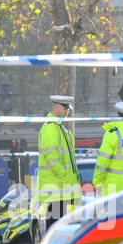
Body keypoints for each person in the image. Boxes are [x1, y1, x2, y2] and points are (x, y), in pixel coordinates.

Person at [35, 93, 81, 229]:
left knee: (64, 231)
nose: (67, 111)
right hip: (56, 191)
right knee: (56, 231)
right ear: (56, 107)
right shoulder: (50, 128)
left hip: (64, 191)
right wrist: (64, 177)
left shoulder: (60, 129)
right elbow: (51, 158)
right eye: (65, 108)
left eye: (68, 108)